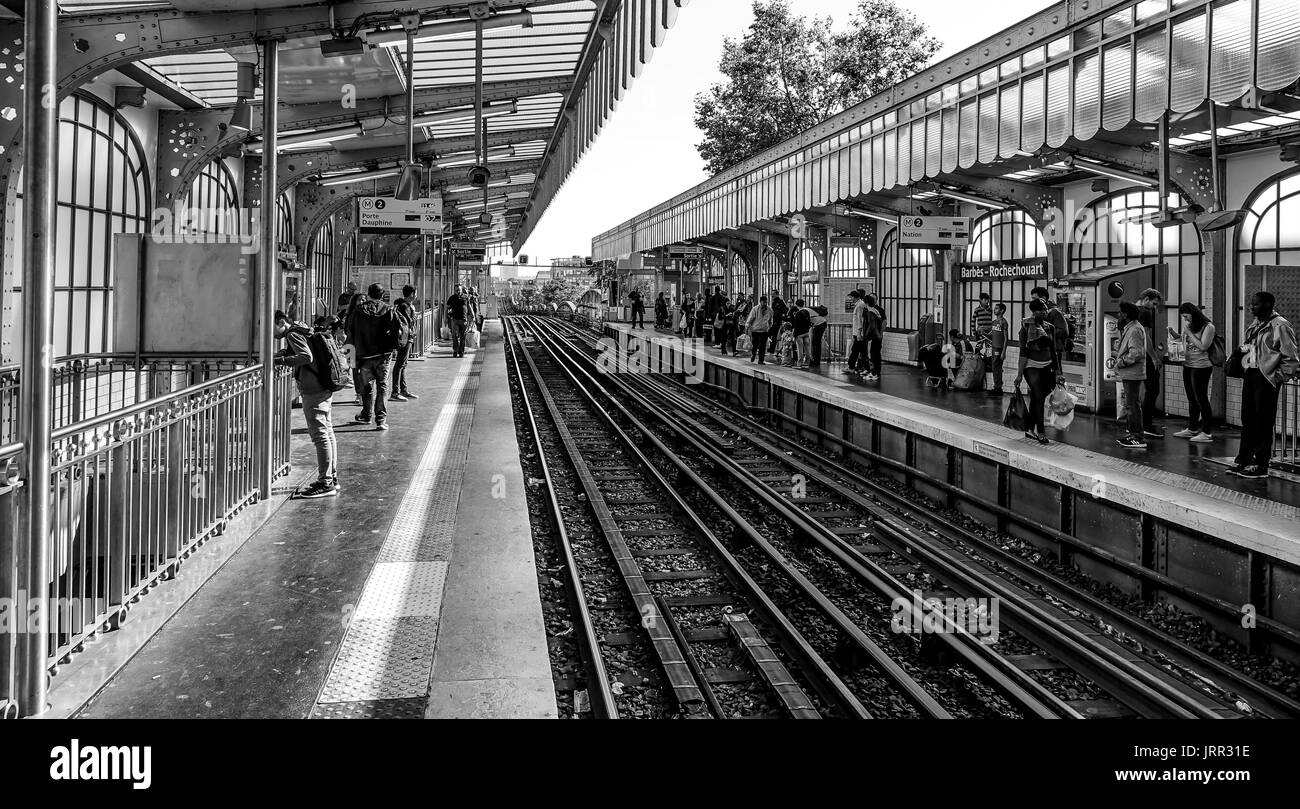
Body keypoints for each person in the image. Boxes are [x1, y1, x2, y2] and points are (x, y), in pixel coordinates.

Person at [1231, 291, 1299, 479]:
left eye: (1256, 304)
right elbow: (1254, 347)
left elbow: (1291, 358)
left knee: (1263, 421)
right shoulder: (1257, 324)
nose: (1252, 307)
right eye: (1252, 304)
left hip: (1267, 378)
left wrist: (1277, 377)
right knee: (1248, 419)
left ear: (1268, 304)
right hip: (1252, 374)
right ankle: (1244, 458)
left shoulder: (1281, 326)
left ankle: (1260, 463)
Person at [273, 311, 339, 498]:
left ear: (281, 322)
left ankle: (325, 483)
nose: (272, 334)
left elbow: (306, 356)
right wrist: (286, 353)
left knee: (320, 435)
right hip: (324, 385)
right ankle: (331, 477)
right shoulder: (301, 329)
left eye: (272, 328)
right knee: (327, 430)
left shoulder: (292, 334)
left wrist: (281, 360)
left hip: (313, 389)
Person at [346, 283, 399, 431]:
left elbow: (349, 330)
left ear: (368, 294)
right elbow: (397, 331)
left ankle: (366, 415)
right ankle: (381, 420)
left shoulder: (357, 311)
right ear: (382, 295)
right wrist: (392, 348)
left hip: (363, 355)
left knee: (367, 387)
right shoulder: (388, 309)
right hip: (383, 355)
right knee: (382, 386)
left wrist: (352, 353)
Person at [1013, 299, 1063, 445]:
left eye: (1045, 309)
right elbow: (1023, 353)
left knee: (1037, 397)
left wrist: (1058, 372)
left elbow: (1053, 351)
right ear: (1033, 312)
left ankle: (1029, 428)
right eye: (1041, 309)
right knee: (1039, 397)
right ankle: (1041, 432)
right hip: (1031, 366)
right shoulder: (1025, 328)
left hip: (1047, 365)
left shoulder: (1050, 327)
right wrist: (1019, 374)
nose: (1045, 312)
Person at [1169, 302, 1215, 442]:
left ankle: (1206, 432)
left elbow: (1203, 346)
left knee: (1201, 399)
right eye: (1183, 317)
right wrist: (1173, 333)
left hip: (1201, 366)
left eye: (1186, 316)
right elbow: (1184, 340)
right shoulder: (1189, 326)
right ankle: (1192, 428)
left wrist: (1188, 332)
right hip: (1188, 364)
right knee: (1192, 399)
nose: (1185, 319)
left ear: (1193, 313)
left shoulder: (1208, 327)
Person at [1112, 301, 1148, 449]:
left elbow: (1136, 353)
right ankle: (1133, 433)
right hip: (1130, 373)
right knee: (1131, 405)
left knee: (1133, 405)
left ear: (1125, 315)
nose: (1118, 315)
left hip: (1133, 374)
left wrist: (1120, 362)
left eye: (1120, 313)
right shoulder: (1130, 328)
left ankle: (1137, 437)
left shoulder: (1134, 330)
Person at [1136, 288, 1166, 438]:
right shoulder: (1145, 313)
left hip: (1132, 357)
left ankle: (1134, 425)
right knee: (1153, 389)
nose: (1154, 308)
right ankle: (1146, 424)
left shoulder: (1129, 310)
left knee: (1134, 393)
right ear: (1147, 298)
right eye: (1154, 304)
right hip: (1145, 356)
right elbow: (1145, 337)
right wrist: (1154, 357)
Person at [390, 284, 419, 402]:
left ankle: (403, 389)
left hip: (406, 337)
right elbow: (408, 322)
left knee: (403, 364)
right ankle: (395, 392)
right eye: (415, 293)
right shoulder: (405, 306)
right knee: (400, 364)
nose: (416, 295)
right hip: (405, 337)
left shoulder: (402, 305)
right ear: (412, 294)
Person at [863, 293, 885, 382]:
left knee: (873, 355)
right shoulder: (876, 311)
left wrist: (867, 336)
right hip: (877, 336)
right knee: (876, 355)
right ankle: (875, 372)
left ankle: (874, 373)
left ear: (866, 303)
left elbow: (872, 326)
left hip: (874, 337)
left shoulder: (870, 312)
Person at [845, 290, 867, 376]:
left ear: (856, 297)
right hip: (857, 333)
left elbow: (860, 320)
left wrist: (859, 332)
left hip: (859, 333)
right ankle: (855, 367)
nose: (851, 299)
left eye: (852, 297)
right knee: (860, 351)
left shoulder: (860, 306)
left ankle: (852, 367)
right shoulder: (858, 305)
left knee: (856, 351)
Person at [746, 296, 773, 364]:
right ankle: (753, 354)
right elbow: (750, 318)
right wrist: (747, 326)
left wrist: (769, 327)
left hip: (764, 330)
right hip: (755, 330)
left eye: (766, 302)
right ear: (760, 302)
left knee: (762, 346)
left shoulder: (769, 310)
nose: (765, 304)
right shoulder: (755, 309)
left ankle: (761, 360)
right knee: (755, 344)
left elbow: (770, 319)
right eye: (764, 302)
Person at [989, 302, 1009, 395]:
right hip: (994, 348)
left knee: (997, 367)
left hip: (999, 348)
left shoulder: (1003, 322)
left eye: (997, 308)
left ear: (1002, 310)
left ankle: (998, 387)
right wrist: (982, 333)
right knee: (994, 367)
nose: (994, 310)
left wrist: (1003, 352)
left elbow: (1006, 338)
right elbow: (991, 335)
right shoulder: (994, 322)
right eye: (995, 308)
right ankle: (996, 386)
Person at [445, 285, 471, 358]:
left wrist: (473, 315)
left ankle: (461, 351)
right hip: (455, 320)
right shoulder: (452, 298)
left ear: (461, 290)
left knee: (463, 336)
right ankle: (455, 350)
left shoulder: (466, 297)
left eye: (459, 290)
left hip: (464, 320)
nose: (458, 291)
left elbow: (469, 306)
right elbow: (446, 308)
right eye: (456, 290)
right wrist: (445, 318)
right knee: (454, 336)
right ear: (454, 290)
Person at [791, 299, 812, 368]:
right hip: (806, 332)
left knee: (800, 349)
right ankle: (807, 363)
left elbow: (796, 325)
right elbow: (809, 322)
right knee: (807, 348)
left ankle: (799, 363)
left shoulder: (798, 313)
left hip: (799, 334)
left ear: (797, 305)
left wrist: (794, 335)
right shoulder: (807, 312)